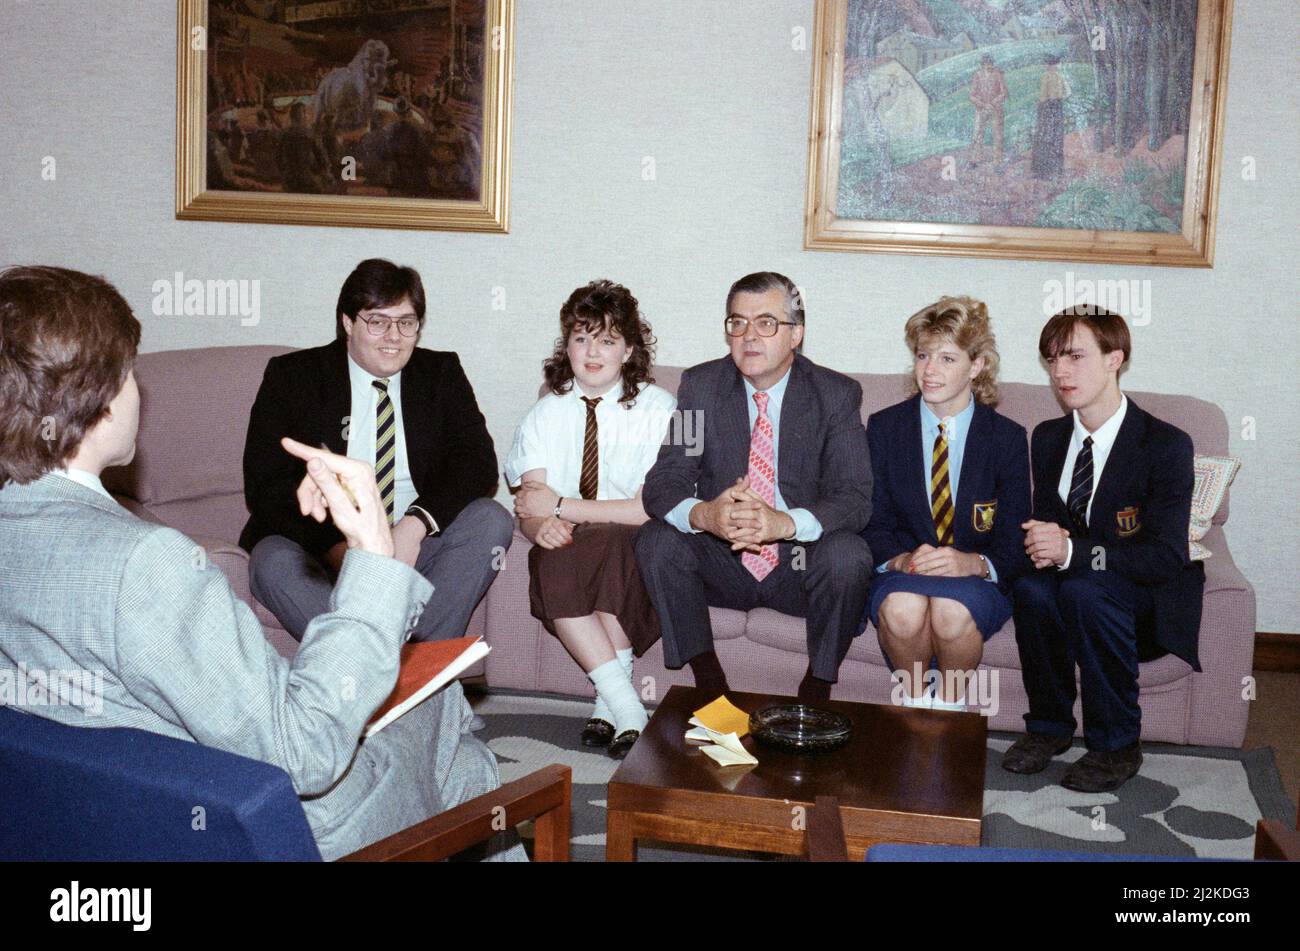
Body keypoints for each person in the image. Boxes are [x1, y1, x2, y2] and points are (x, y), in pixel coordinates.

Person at [0, 265, 523, 862]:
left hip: (95, 814)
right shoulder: (150, 562)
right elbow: (306, 755)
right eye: (128, 374)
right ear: (98, 400)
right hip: (270, 826)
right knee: (440, 711)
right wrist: (373, 558)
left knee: (444, 732)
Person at [241, 258, 512, 645]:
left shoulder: (440, 373)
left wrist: (413, 527)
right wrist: (344, 546)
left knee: (490, 518)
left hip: (413, 545)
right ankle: (368, 661)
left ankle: (420, 662)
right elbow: (266, 486)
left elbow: (477, 462)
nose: (394, 336)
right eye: (377, 321)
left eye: (406, 322)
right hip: (323, 549)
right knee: (270, 560)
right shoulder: (294, 376)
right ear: (348, 323)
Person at [635, 272, 873, 702]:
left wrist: (783, 524)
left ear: (796, 334)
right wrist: (705, 514)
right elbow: (665, 481)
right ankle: (707, 678)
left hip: (796, 563)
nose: (748, 336)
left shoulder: (835, 396)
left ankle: (817, 686)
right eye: (737, 322)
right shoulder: (701, 388)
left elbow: (854, 498)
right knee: (657, 539)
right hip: (722, 559)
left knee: (849, 554)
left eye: (766, 323)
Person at [1003, 306, 1203, 792]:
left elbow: (1164, 556)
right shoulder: (1048, 438)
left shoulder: (1165, 444)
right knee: (1031, 588)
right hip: (1076, 584)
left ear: (1115, 359)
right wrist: (1043, 543)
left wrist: (1072, 552)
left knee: (1085, 593)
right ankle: (1049, 728)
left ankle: (1116, 745)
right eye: (1051, 359)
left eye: (1074, 356)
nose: (1059, 372)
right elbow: (1049, 525)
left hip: (1144, 595)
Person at [505, 281, 675, 758]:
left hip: (634, 537)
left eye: (607, 339)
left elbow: (645, 509)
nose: (592, 351)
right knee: (554, 552)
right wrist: (543, 526)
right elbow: (529, 507)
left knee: (612, 543)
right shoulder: (544, 413)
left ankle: (612, 706)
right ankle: (625, 710)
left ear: (629, 350)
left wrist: (558, 508)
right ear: (568, 346)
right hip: (574, 542)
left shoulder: (659, 409)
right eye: (581, 338)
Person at [862, 297, 1030, 710]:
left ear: (977, 366)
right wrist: (901, 560)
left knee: (951, 612)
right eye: (923, 355)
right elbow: (871, 522)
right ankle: (918, 710)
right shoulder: (884, 428)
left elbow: (1014, 538)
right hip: (903, 574)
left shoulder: (1006, 438)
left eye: (947, 358)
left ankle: (950, 711)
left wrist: (972, 563)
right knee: (903, 610)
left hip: (973, 581)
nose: (930, 370)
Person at [1031, 55, 1071, 180]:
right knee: (1056, 136)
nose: (1047, 66)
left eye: (1048, 64)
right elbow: (1068, 92)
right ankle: (1057, 170)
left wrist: (1042, 106)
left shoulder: (1047, 76)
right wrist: (1059, 98)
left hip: (1047, 107)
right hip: (1057, 107)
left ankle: (1045, 171)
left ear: (1050, 65)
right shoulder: (1060, 76)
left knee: (1045, 136)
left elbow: (1043, 95)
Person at [276, 101, 329, 194]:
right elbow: (322, 160)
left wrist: (284, 173)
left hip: (289, 179)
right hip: (308, 177)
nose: (307, 117)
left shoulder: (284, 135)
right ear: (303, 116)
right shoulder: (310, 134)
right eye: (306, 113)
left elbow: (278, 158)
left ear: (292, 117)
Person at [969, 55, 1008, 166]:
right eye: (987, 64)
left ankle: (997, 160)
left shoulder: (998, 74)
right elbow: (971, 95)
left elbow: (1004, 93)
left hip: (996, 109)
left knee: (998, 134)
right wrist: (983, 104)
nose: (989, 66)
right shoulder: (977, 75)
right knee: (977, 134)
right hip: (981, 109)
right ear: (983, 65)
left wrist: (993, 103)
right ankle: (976, 158)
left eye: (991, 63)